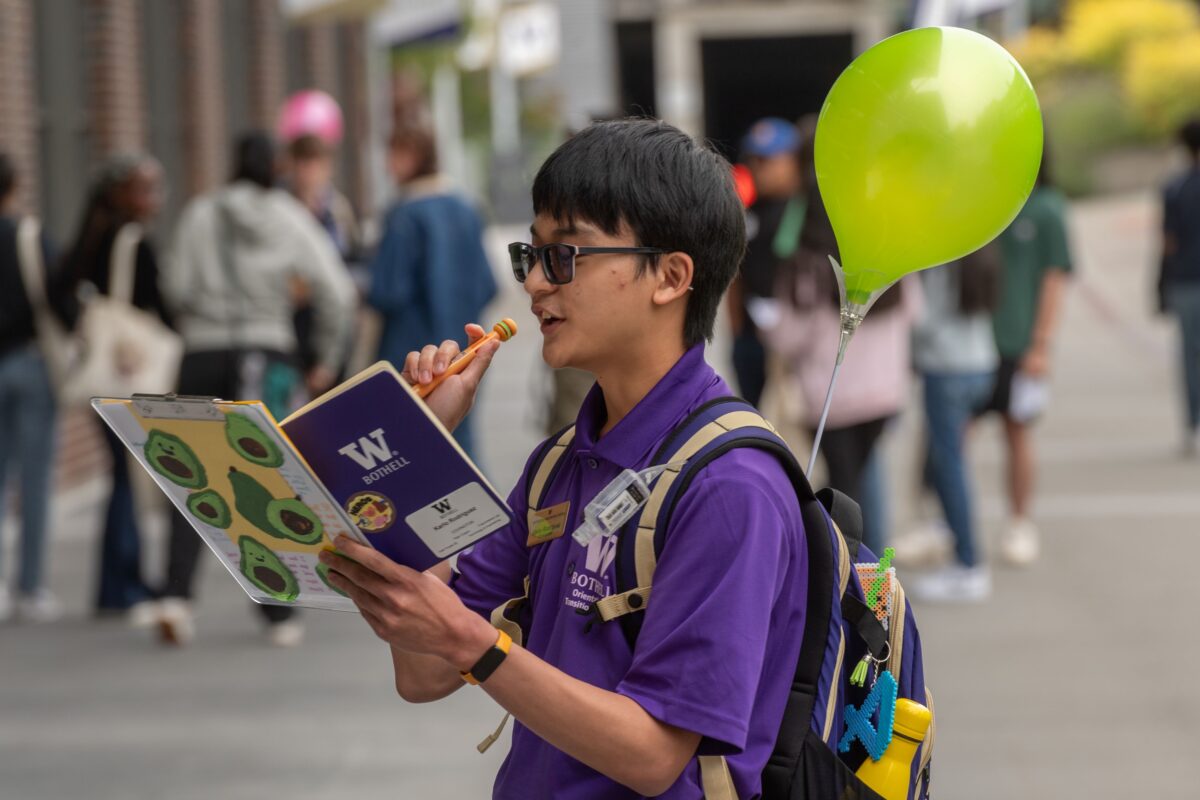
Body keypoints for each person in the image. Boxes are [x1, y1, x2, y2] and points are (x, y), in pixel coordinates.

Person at [321, 119, 809, 799]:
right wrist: (416, 449)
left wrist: (474, 645)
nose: (534, 284)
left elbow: (653, 756)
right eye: (532, 254)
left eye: (564, 255)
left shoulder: (731, 486)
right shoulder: (560, 462)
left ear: (670, 277)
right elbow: (424, 672)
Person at [157, 132, 356, 646]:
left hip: (201, 354)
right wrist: (326, 358)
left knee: (188, 472)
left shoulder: (199, 213)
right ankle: (279, 609)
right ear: (276, 167)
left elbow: (175, 287)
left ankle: (176, 597)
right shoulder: (288, 216)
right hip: (267, 354)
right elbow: (338, 292)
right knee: (265, 479)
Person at [762, 183, 920, 555]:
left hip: (834, 401)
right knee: (858, 486)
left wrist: (764, 328)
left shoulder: (807, 266)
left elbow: (787, 337)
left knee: (844, 497)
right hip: (884, 394)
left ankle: (856, 576)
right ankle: (875, 574)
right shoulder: (889, 258)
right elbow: (914, 312)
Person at [62, 153, 171, 621]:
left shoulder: (92, 236)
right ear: (122, 193)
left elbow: (60, 290)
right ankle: (125, 582)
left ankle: (115, 584)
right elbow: (161, 306)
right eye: (145, 189)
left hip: (101, 375)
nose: (154, 199)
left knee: (120, 475)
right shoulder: (132, 240)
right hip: (125, 373)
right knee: (128, 477)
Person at [368, 124, 497, 462]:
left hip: (413, 357)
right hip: (466, 348)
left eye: (394, 153)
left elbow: (387, 291)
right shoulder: (466, 207)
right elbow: (488, 284)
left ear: (413, 156)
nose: (388, 163)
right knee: (462, 447)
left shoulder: (405, 214)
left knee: (409, 452)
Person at [983, 152, 1073, 566]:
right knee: (947, 437)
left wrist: (1041, 344)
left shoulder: (1046, 208)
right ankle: (944, 525)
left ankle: (1020, 523)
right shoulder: (983, 202)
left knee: (1017, 431)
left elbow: (1055, 278)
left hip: (1018, 344)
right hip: (972, 344)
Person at [0, 153, 73, 622]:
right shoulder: (29, 235)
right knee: (35, 479)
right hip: (30, 363)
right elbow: (60, 297)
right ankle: (30, 587)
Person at [905, 246, 1001, 602]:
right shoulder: (980, 252)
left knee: (951, 466)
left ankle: (968, 563)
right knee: (947, 461)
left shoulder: (943, 259)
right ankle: (950, 531)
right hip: (980, 364)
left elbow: (924, 320)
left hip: (946, 369)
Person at [726, 117, 803, 408]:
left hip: (792, 335)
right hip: (750, 334)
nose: (759, 168)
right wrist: (737, 331)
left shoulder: (808, 211)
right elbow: (736, 275)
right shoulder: (747, 210)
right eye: (754, 160)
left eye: (768, 160)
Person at [285, 133, 362, 380]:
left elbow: (353, 259)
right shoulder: (283, 209)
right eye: (304, 164)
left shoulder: (338, 210)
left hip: (333, 314)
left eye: (315, 164)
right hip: (298, 320)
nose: (309, 173)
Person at [1159, 117, 1200, 457]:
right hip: (1187, 280)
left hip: (1186, 281)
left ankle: (1194, 424)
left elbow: (1168, 243)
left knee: (1191, 357)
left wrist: (1160, 284)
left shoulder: (1175, 188)